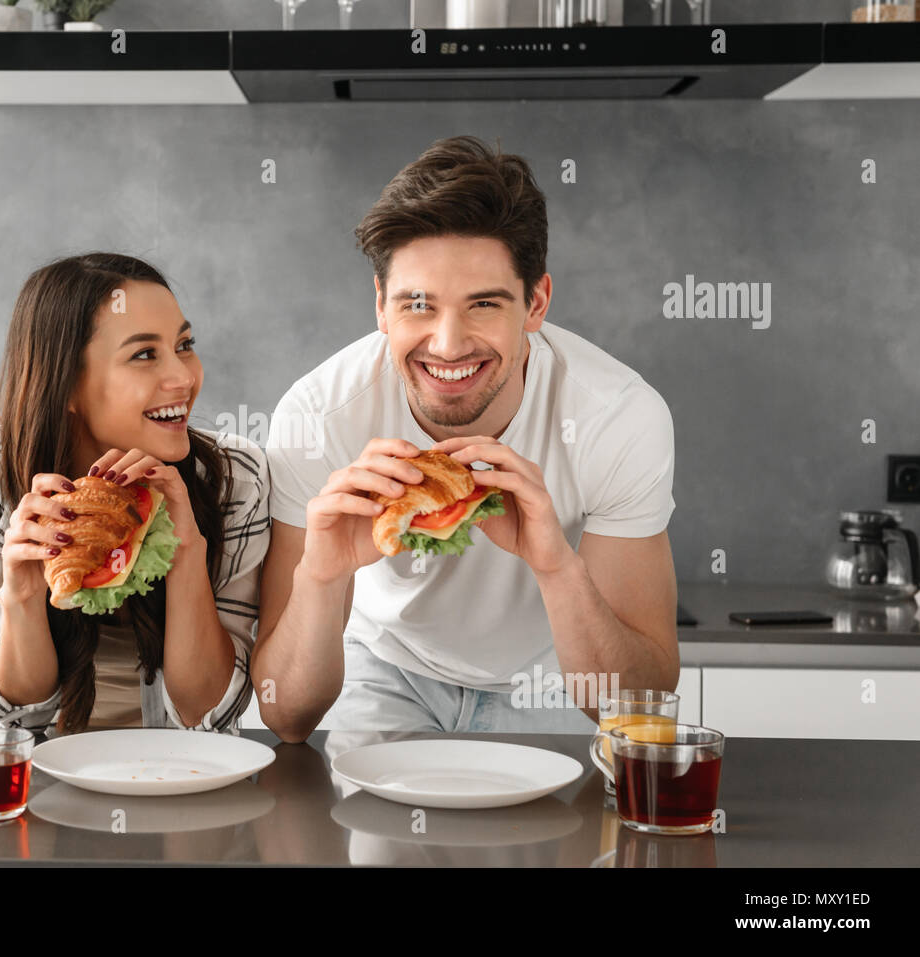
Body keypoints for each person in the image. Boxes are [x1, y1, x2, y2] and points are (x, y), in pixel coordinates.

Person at [252, 135, 680, 740]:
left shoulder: (619, 417)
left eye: (483, 304)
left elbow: (638, 704)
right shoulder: (316, 417)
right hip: (385, 670)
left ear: (536, 303)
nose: (448, 345)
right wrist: (322, 576)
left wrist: (556, 563)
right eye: (417, 305)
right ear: (380, 306)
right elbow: (286, 716)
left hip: (550, 676)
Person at [0, 253, 270, 735]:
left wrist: (187, 549)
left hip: (188, 777)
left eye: (185, 345)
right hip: (40, 780)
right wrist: (23, 592)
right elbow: (20, 713)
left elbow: (208, 712)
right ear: (65, 383)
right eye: (145, 354)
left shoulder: (236, 476)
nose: (185, 379)